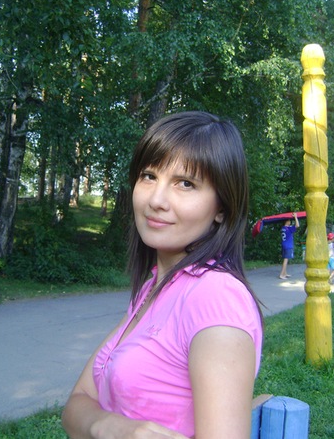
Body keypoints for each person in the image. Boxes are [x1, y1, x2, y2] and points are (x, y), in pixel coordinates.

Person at [61, 111, 263, 439]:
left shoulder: (216, 297)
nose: (156, 200)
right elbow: (77, 403)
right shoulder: (154, 286)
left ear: (222, 208)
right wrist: (112, 427)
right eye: (149, 176)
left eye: (186, 183)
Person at [278, 213, 300, 279]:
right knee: (286, 260)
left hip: (284, 245)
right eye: (289, 220)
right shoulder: (289, 228)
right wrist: (295, 217)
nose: (290, 222)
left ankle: (285, 273)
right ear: (287, 222)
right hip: (288, 246)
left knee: (285, 258)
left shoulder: (283, 228)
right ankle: (282, 274)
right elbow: (297, 225)